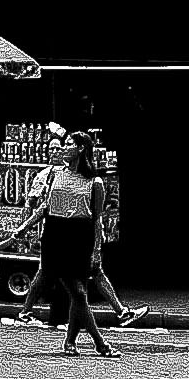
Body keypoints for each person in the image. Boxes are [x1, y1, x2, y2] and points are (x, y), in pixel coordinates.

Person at [34, 126, 112, 354]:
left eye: (68, 144)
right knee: (77, 292)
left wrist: (96, 249)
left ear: (80, 149)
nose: (63, 148)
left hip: (81, 237)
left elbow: (97, 218)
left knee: (80, 293)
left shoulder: (94, 181)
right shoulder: (57, 174)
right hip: (58, 236)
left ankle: (71, 342)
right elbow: (46, 207)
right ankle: (99, 343)